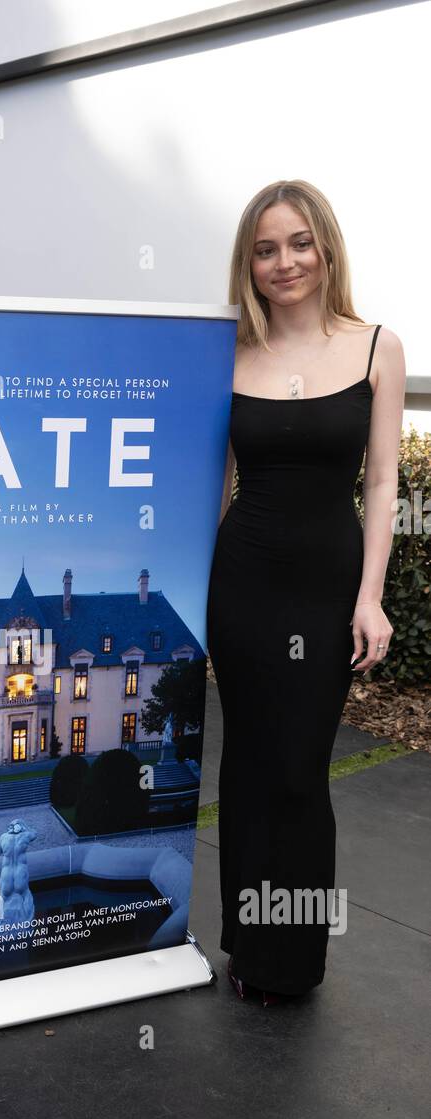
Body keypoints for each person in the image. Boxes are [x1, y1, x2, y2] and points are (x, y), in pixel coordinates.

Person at [206, 181, 405, 1005]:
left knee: (300, 769)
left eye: (297, 243)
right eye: (265, 248)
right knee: (250, 763)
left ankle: (298, 955)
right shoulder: (226, 352)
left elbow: (387, 482)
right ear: (248, 264)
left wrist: (371, 596)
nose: (283, 262)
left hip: (327, 586)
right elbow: (211, 485)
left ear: (325, 249)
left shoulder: (375, 347)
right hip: (243, 583)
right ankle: (248, 949)